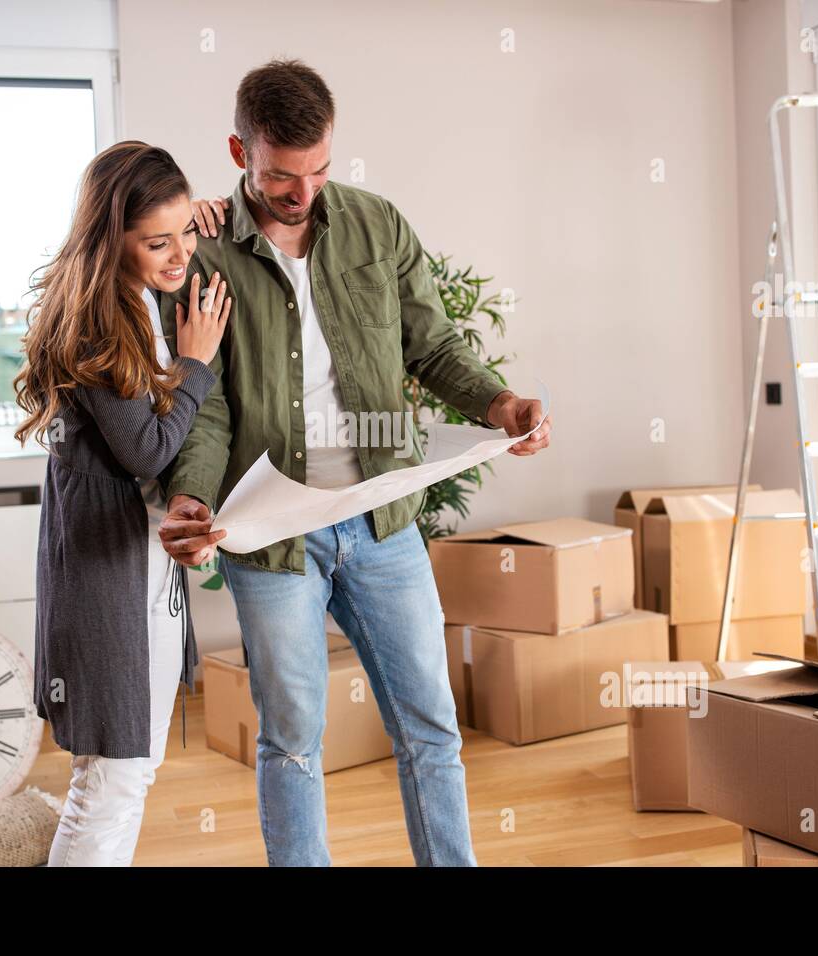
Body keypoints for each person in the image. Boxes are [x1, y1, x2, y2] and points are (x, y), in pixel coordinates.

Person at [153, 59, 552, 867]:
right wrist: (192, 495)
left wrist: (497, 404)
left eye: (320, 171)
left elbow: (433, 345)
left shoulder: (376, 226)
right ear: (239, 151)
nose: (304, 193)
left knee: (431, 725)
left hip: (383, 522)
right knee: (294, 738)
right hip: (271, 534)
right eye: (280, 176)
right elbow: (207, 400)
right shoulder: (201, 256)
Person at [13, 140, 233, 866]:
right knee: (113, 777)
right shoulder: (105, 318)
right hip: (112, 580)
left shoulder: (131, 291)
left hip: (136, 566)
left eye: (186, 235)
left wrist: (193, 227)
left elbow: (172, 241)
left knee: (124, 772)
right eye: (156, 243)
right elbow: (146, 449)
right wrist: (197, 365)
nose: (179, 258)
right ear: (115, 241)